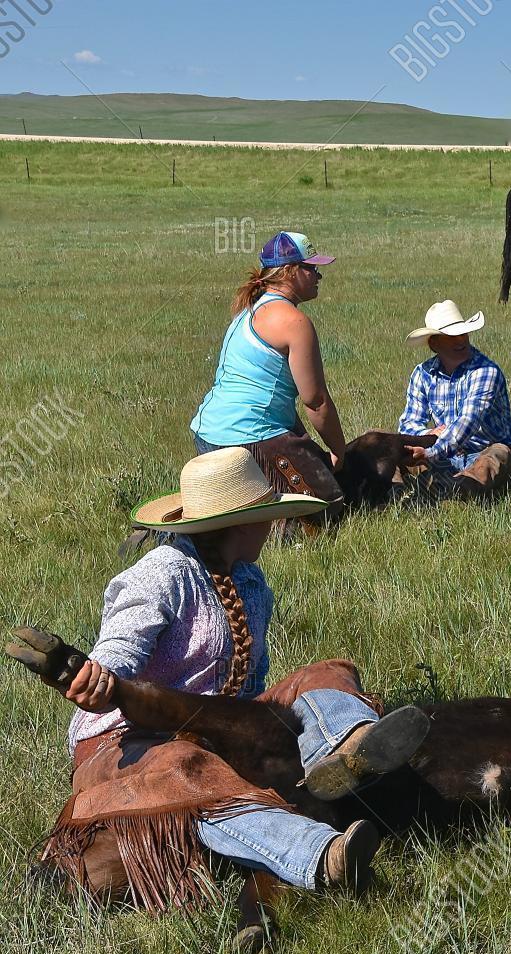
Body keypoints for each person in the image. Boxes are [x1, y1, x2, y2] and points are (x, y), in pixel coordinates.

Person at [20, 448, 432, 917]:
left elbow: (251, 686)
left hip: (216, 724)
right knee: (192, 767)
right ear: (245, 522)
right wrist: (97, 677)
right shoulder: (162, 574)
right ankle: (319, 855)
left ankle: (343, 750)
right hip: (130, 737)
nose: (274, 525)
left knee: (325, 672)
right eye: (268, 516)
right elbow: (120, 652)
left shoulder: (253, 584)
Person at [189, 231, 353, 522]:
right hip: (249, 439)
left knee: (236, 509)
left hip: (207, 435)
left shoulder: (249, 311)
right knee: (326, 508)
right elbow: (315, 402)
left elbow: (275, 397)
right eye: (311, 268)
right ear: (290, 271)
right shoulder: (294, 322)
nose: (318, 276)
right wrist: (338, 451)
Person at [399, 299, 511, 500]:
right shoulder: (422, 374)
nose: (461, 340)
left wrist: (431, 451)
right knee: (387, 448)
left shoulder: (485, 371)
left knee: (498, 456)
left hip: (484, 449)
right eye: (451, 336)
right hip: (444, 452)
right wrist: (429, 434)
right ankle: (399, 488)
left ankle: (455, 492)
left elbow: (468, 422)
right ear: (434, 344)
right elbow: (407, 426)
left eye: (463, 333)